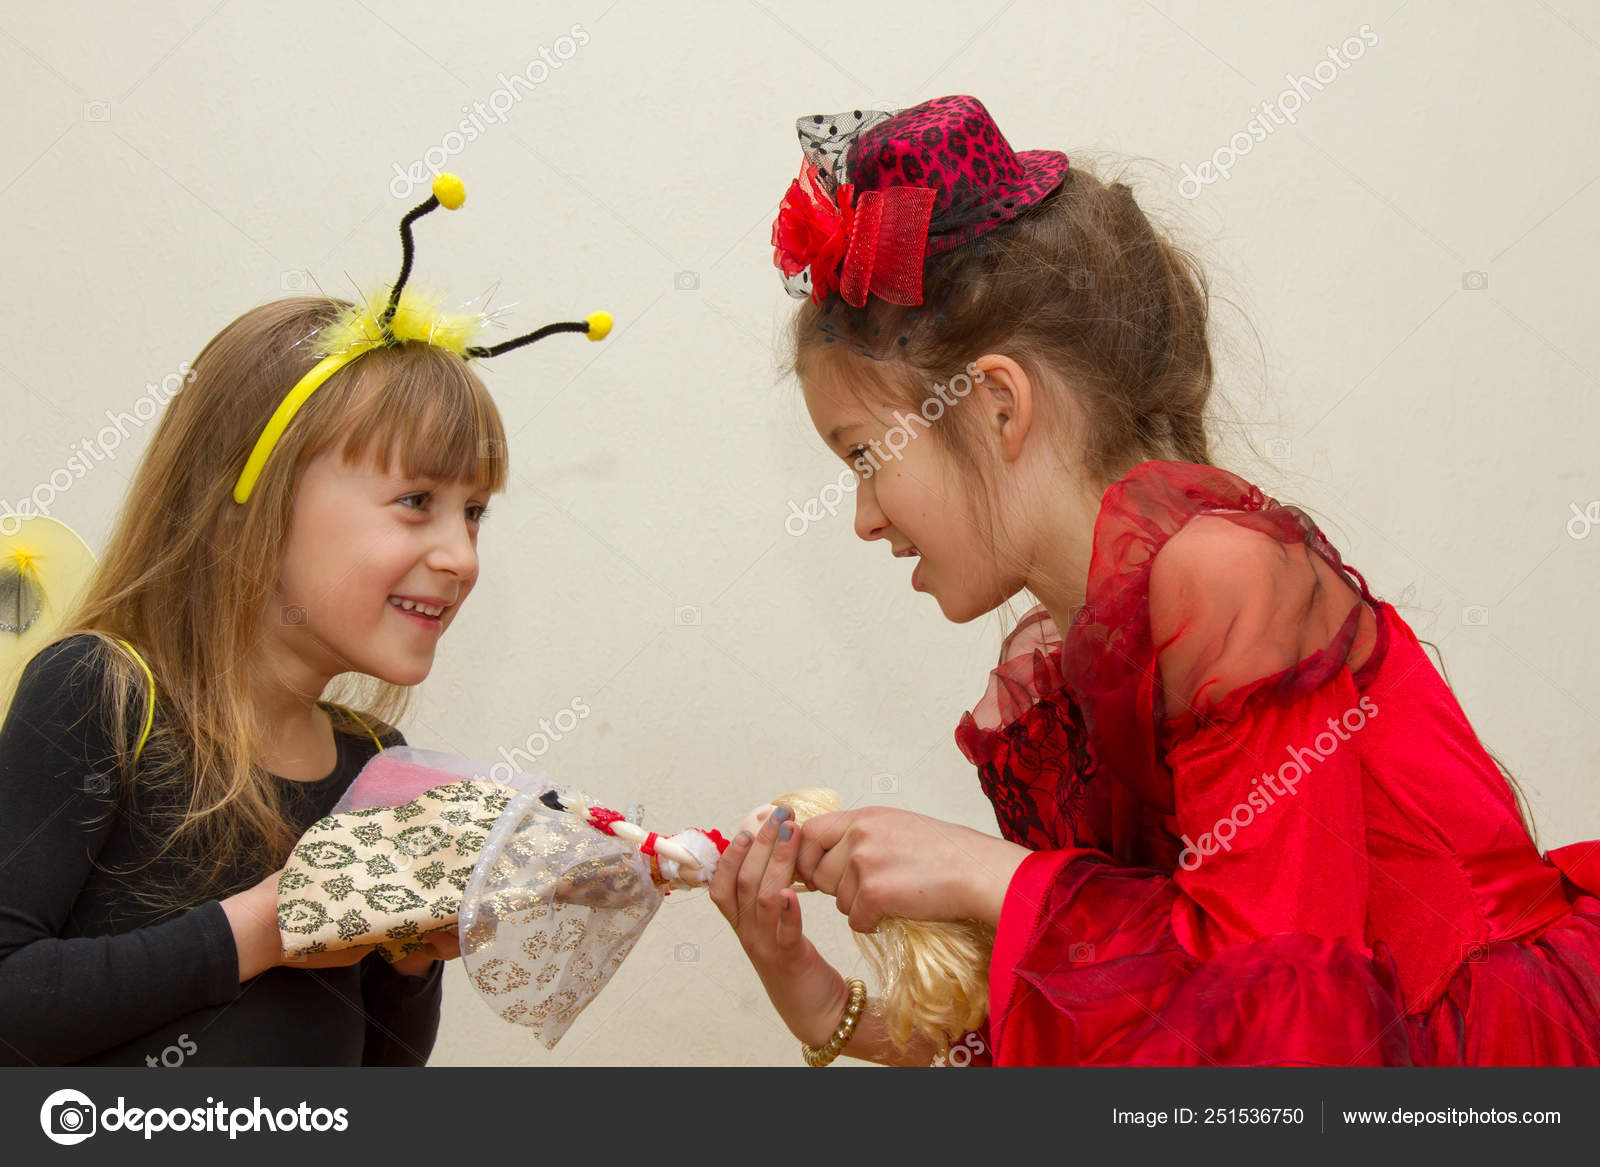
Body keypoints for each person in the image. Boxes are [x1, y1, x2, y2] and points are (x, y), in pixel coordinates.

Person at [712, 95, 1600, 1067]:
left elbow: (1280, 1020)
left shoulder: (1221, 581)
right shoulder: (1066, 658)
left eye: (864, 457)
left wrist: (988, 876)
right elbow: (1138, 1011)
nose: (864, 517)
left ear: (998, 406)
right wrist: (823, 1002)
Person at [0, 173, 608, 1065]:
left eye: (474, 512)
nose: (461, 555)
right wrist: (277, 921)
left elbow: (376, 1076)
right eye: (415, 500)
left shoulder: (375, 771)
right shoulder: (102, 694)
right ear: (243, 508)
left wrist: (406, 959)